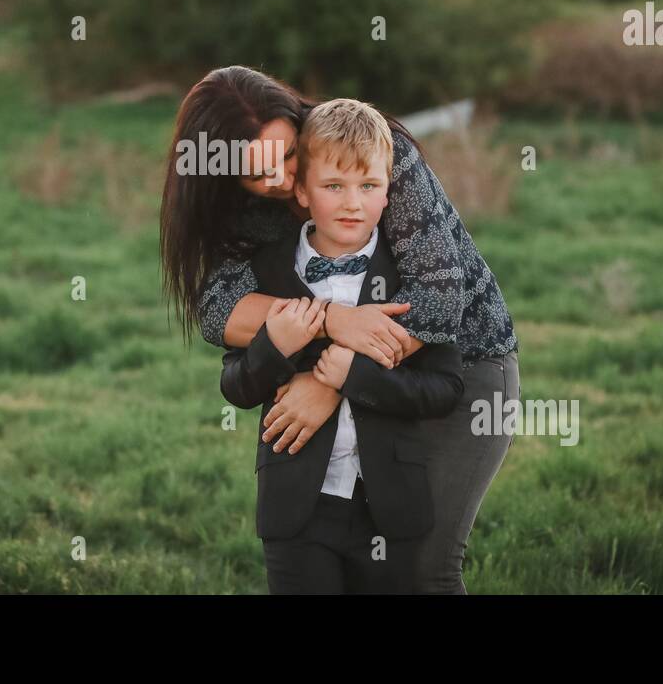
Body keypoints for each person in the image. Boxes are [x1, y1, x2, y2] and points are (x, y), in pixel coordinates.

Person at [160, 66, 521, 593]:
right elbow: (221, 312)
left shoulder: (365, 144)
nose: (281, 179)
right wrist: (332, 319)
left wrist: (336, 379)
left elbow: (442, 297)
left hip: (462, 362)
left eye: (288, 157)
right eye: (258, 171)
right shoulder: (228, 203)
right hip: (357, 371)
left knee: (424, 568)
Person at [220, 98, 467, 593]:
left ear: (388, 193)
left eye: (369, 186)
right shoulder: (270, 272)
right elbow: (236, 385)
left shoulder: (408, 278)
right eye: (334, 186)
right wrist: (276, 344)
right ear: (302, 192)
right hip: (296, 511)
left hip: (390, 510)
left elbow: (445, 387)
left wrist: (353, 377)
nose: (353, 203)